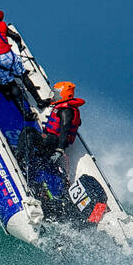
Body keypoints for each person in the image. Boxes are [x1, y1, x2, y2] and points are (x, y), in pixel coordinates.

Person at [16, 81, 85, 214]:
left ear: (64, 94)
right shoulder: (67, 108)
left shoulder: (66, 111)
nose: (54, 95)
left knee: (28, 132)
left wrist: (59, 150)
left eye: (56, 94)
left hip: (54, 141)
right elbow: (78, 123)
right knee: (39, 153)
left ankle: (22, 162)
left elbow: (65, 130)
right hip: (53, 141)